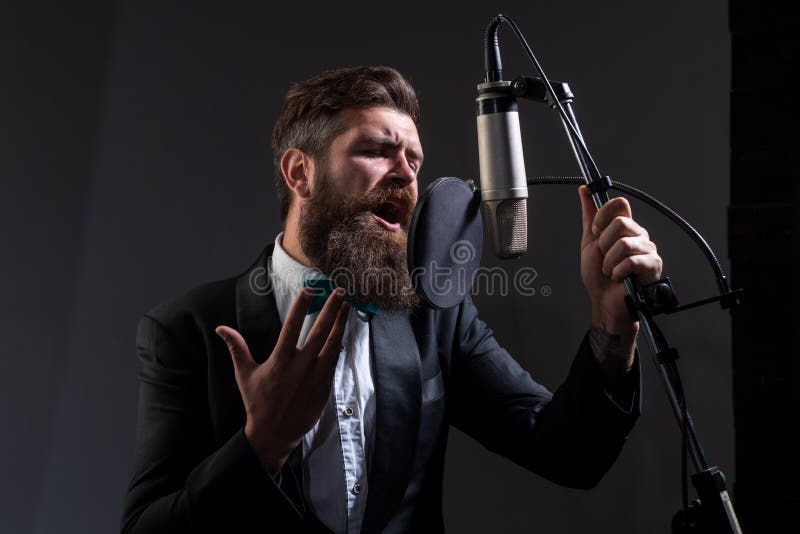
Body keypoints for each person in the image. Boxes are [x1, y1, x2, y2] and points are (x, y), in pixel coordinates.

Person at [121, 66, 662, 534]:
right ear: (300, 172)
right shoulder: (187, 329)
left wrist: (611, 324)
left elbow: (570, 453)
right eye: (377, 151)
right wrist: (262, 444)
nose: (405, 174)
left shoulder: (437, 317)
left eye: (414, 161)